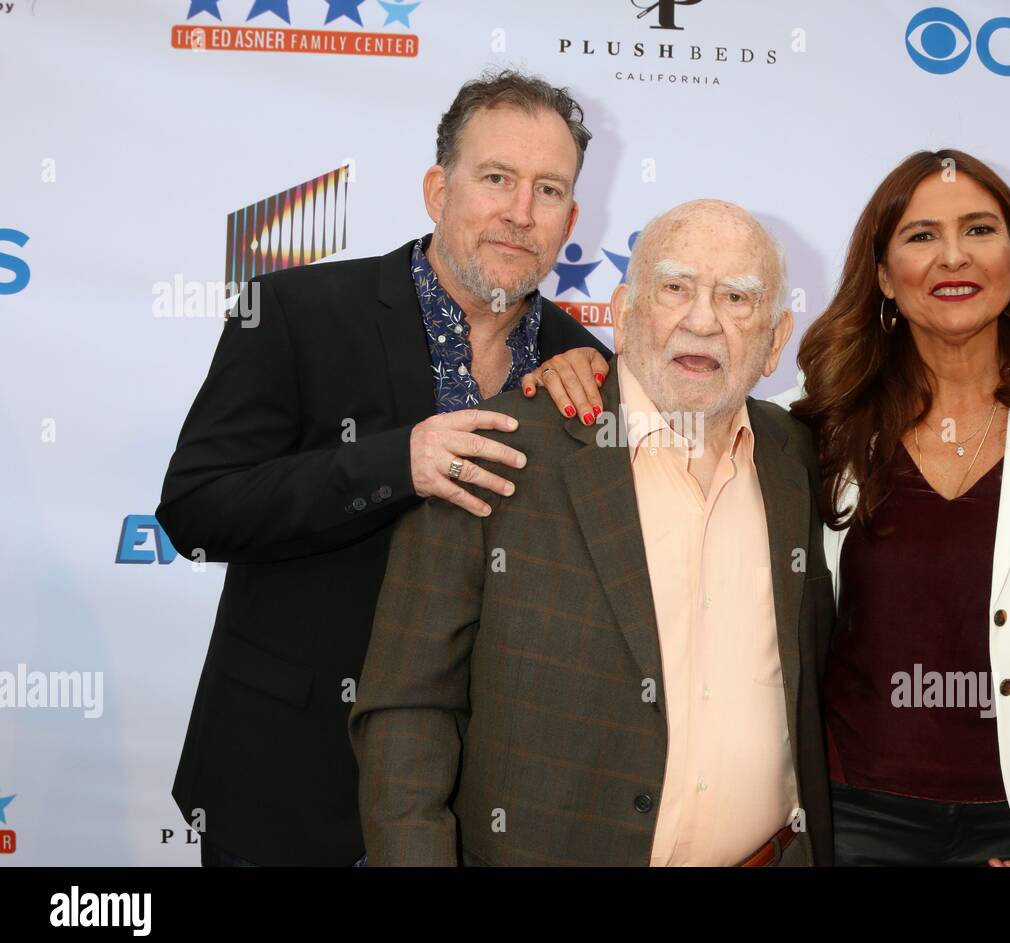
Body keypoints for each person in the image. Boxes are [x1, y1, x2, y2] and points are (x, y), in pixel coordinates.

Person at [155, 69, 611, 866]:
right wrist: (395, 463)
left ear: (570, 219)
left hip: (485, 812)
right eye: (496, 178)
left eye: (547, 190)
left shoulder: (587, 365)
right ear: (438, 189)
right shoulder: (297, 313)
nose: (519, 211)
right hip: (290, 788)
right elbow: (197, 509)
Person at [349, 199, 836, 866]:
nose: (703, 320)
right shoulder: (499, 453)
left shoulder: (795, 459)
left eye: (736, 298)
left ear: (777, 340)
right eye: (675, 288)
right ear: (626, 311)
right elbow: (407, 708)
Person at [775, 148, 1010, 866]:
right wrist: (578, 366)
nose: (954, 257)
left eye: (980, 230)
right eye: (921, 236)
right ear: (885, 276)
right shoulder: (820, 422)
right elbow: (678, 413)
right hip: (852, 815)